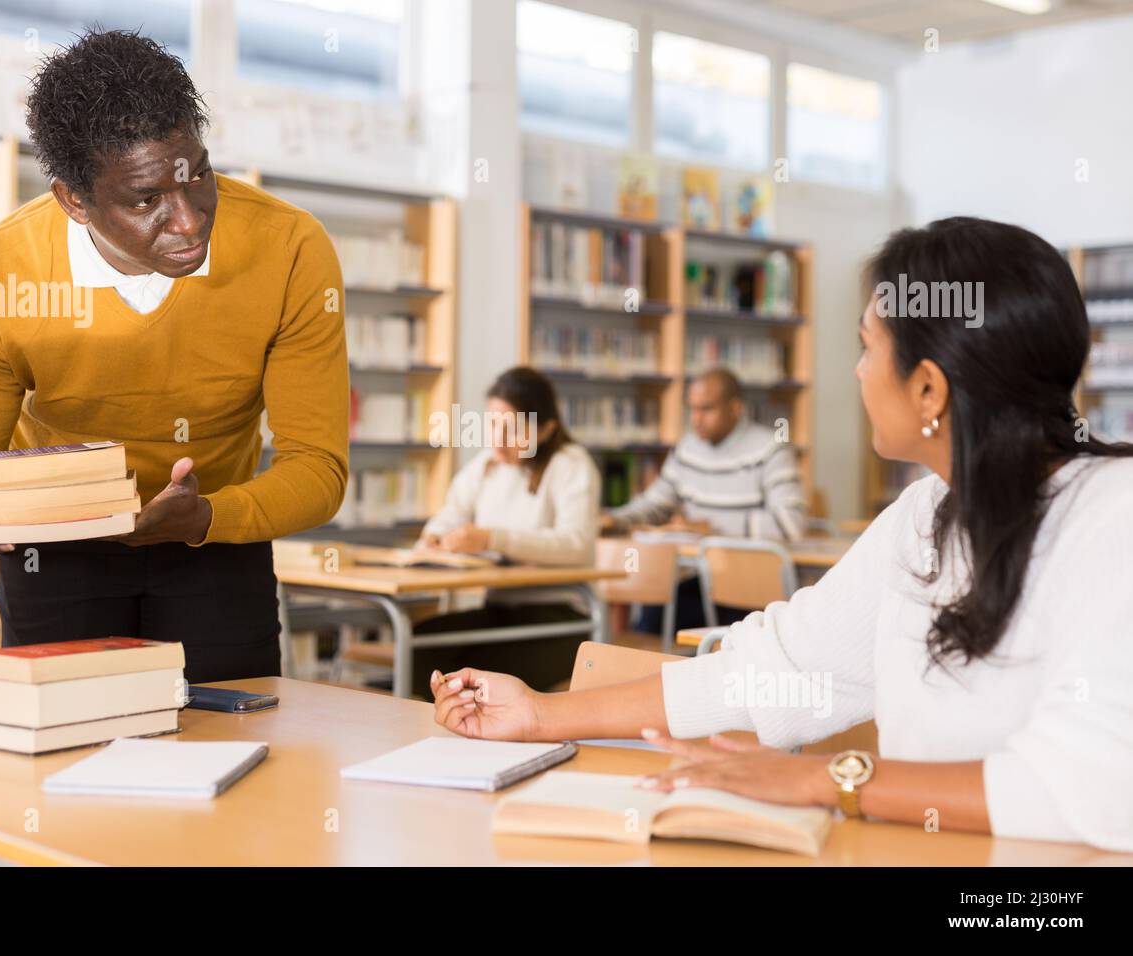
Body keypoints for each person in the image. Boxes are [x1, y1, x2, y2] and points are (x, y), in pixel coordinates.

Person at [428, 217, 1133, 852]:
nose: (857, 372)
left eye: (866, 347)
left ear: (928, 390)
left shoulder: (1114, 518)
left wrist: (828, 779)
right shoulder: (924, 518)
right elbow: (772, 671)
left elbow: (1088, 789)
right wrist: (541, 714)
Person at [0, 30, 349, 683]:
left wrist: (207, 520)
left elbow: (319, 469)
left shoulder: (291, 249)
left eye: (196, 176)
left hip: (216, 539)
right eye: (145, 200)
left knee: (233, 753)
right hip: (53, 555)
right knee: (57, 768)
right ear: (73, 200)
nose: (190, 220)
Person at [408, 367, 600, 695]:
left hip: (560, 621)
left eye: (512, 430)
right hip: (500, 611)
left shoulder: (571, 465)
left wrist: (491, 538)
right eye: (493, 425)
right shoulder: (489, 464)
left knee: (466, 670)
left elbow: (576, 544)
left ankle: (477, 739)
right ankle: (444, 741)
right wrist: (435, 536)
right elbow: (452, 512)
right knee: (420, 646)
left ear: (546, 429)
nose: (498, 439)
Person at [604, 368, 806, 629]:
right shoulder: (687, 449)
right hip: (700, 577)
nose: (696, 419)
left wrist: (711, 527)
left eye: (706, 409)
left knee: (726, 635)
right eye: (693, 409)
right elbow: (656, 502)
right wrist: (615, 518)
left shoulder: (771, 449)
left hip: (751, 585)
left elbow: (791, 524)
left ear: (735, 408)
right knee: (651, 621)